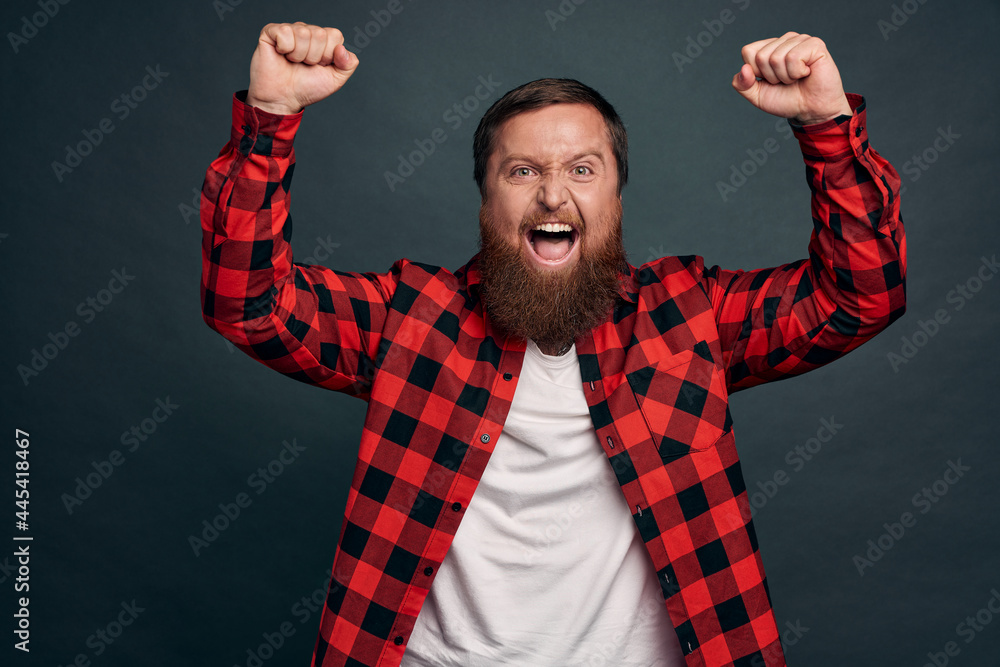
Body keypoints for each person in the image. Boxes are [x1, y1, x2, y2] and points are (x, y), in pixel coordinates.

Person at [199, 21, 906, 667]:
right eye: (523, 171)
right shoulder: (410, 319)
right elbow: (247, 303)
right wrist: (272, 120)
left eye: (582, 169)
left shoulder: (691, 316)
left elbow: (860, 295)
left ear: (616, 202)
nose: (553, 196)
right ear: (486, 203)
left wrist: (826, 125)